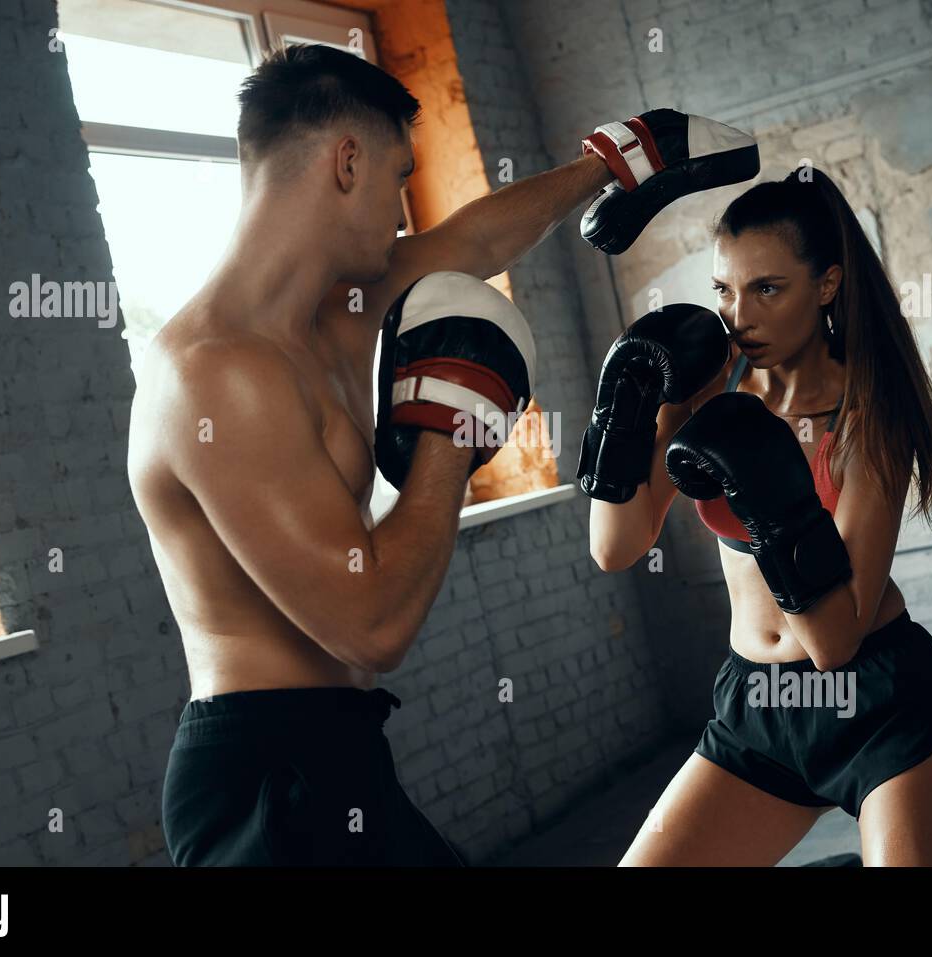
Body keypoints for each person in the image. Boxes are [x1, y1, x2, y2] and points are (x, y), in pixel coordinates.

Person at [127, 42, 754, 866]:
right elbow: (371, 623)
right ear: (346, 161)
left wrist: (611, 162)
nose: (400, 211)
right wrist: (451, 440)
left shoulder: (334, 315)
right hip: (266, 786)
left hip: (337, 750)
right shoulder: (217, 373)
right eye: (398, 177)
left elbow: (472, 241)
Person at [580, 167, 932, 866]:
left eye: (768, 288)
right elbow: (616, 546)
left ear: (826, 285)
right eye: (724, 291)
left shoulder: (869, 415)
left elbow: (834, 642)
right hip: (756, 705)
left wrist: (767, 490)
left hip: (879, 702)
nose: (741, 316)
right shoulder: (708, 386)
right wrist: (624, 412)